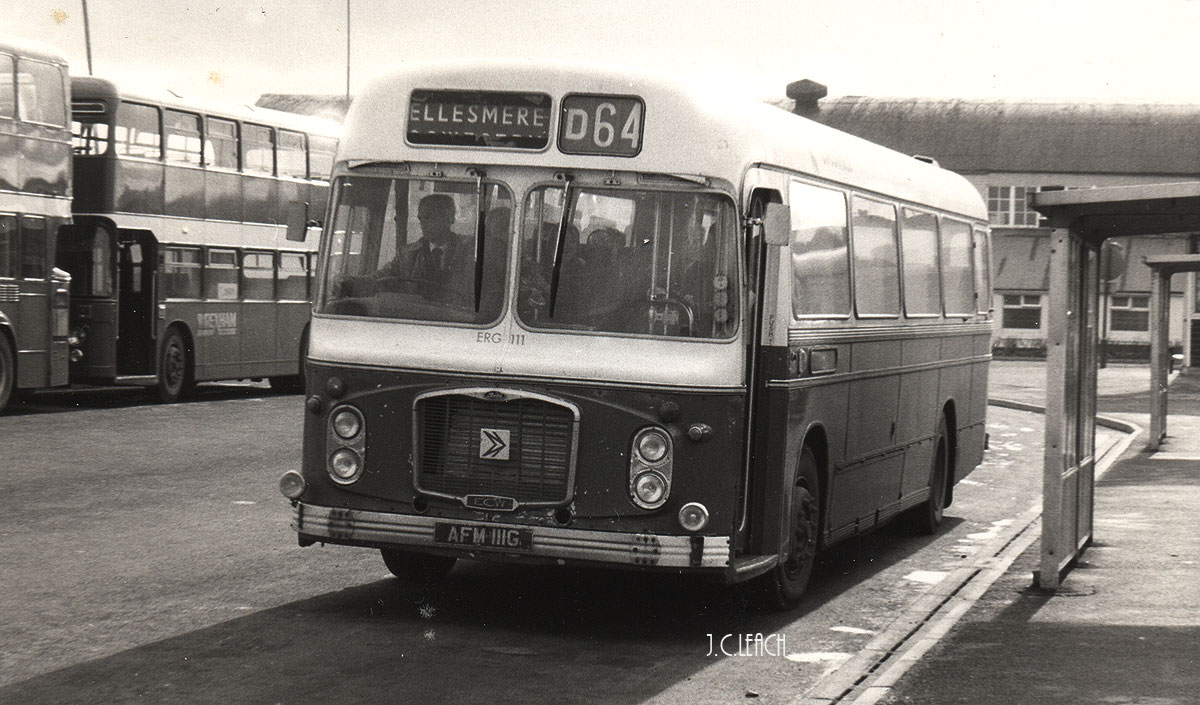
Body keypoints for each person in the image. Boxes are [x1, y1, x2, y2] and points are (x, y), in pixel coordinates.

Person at [376, 193, 471, 300]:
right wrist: (354, 283)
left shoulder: (471, 253)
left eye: (429, 217)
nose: (423, 224)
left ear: (449, 218)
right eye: (421, 219)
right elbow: (382, 276)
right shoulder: (406, 255)